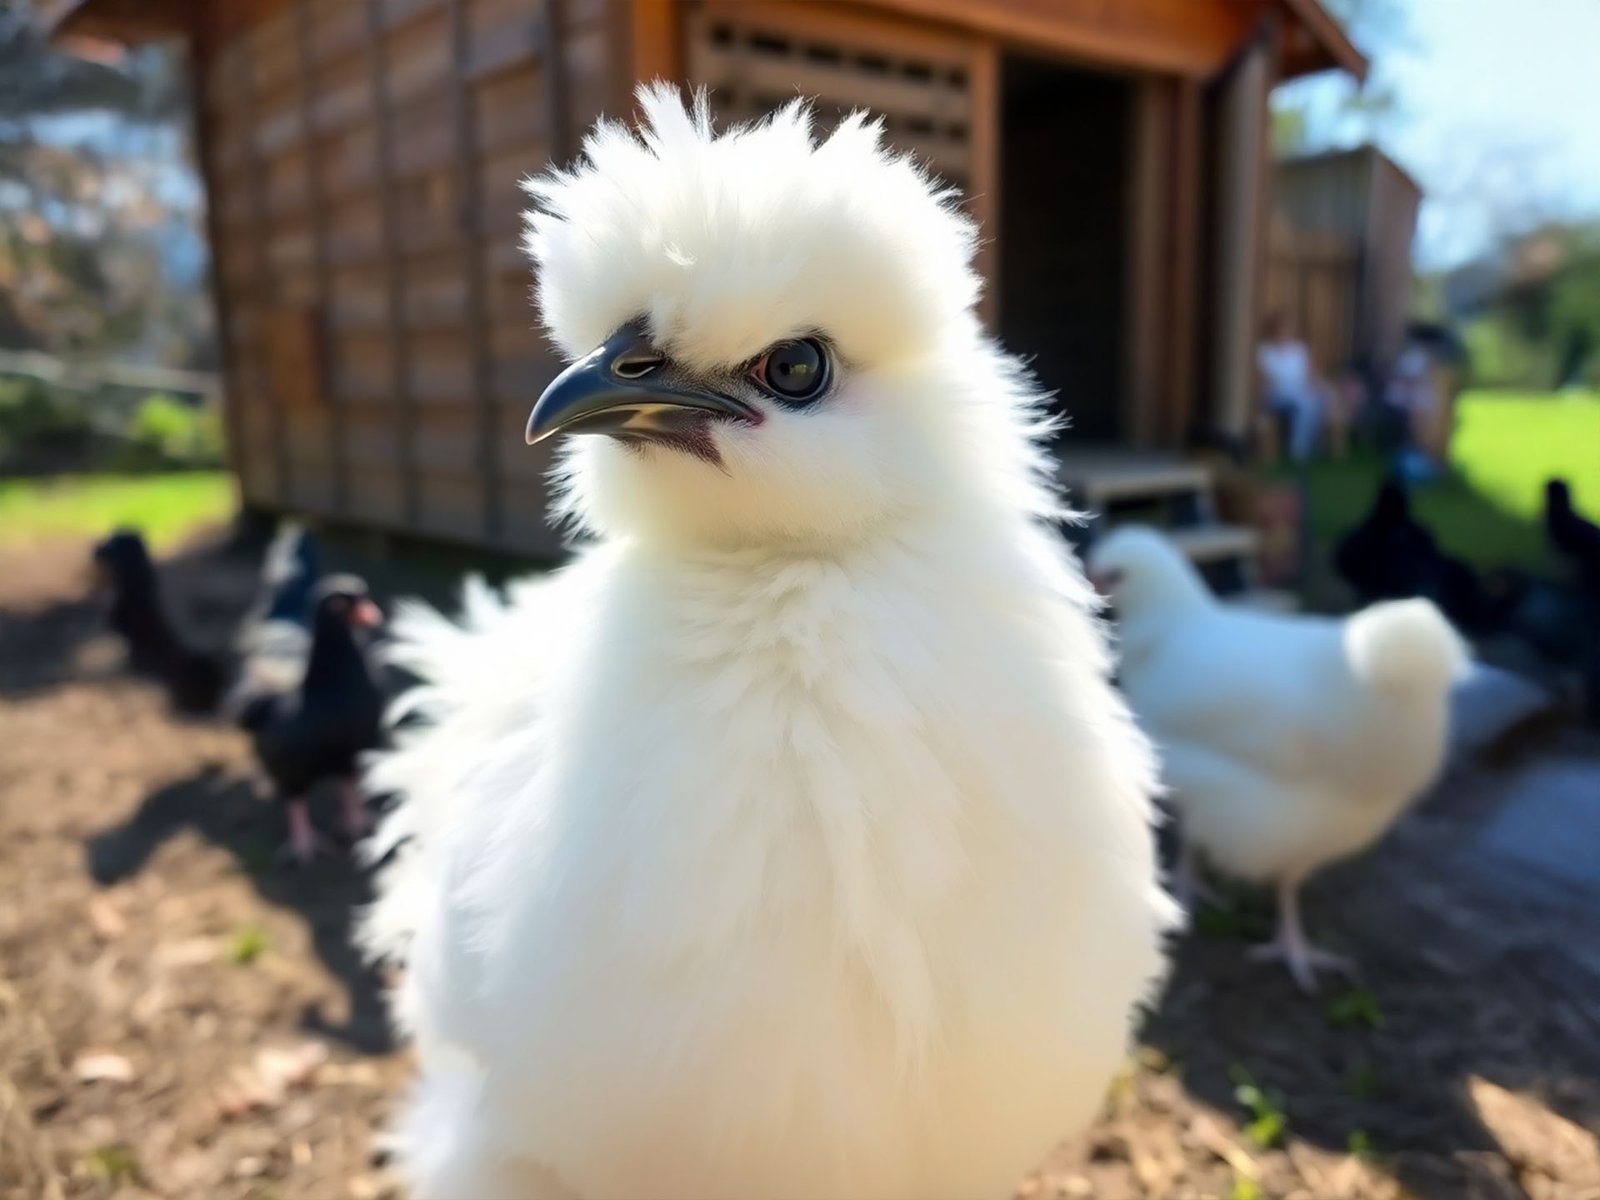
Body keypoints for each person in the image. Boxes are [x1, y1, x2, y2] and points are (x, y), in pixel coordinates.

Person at [1256, 310, 1326, 463]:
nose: (1288, 332)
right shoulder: (1266, 350)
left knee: (1320, 398)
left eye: (1291, 328)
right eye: (1284, 328)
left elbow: (1310, 374)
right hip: (1275, 394)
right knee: (1307, 403)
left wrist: (1314, 383)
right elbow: (1263, 378)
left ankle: (1311, 444)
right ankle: (1298, 451)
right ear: (1275, 329)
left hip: (1298, 392)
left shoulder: (1300, 349)